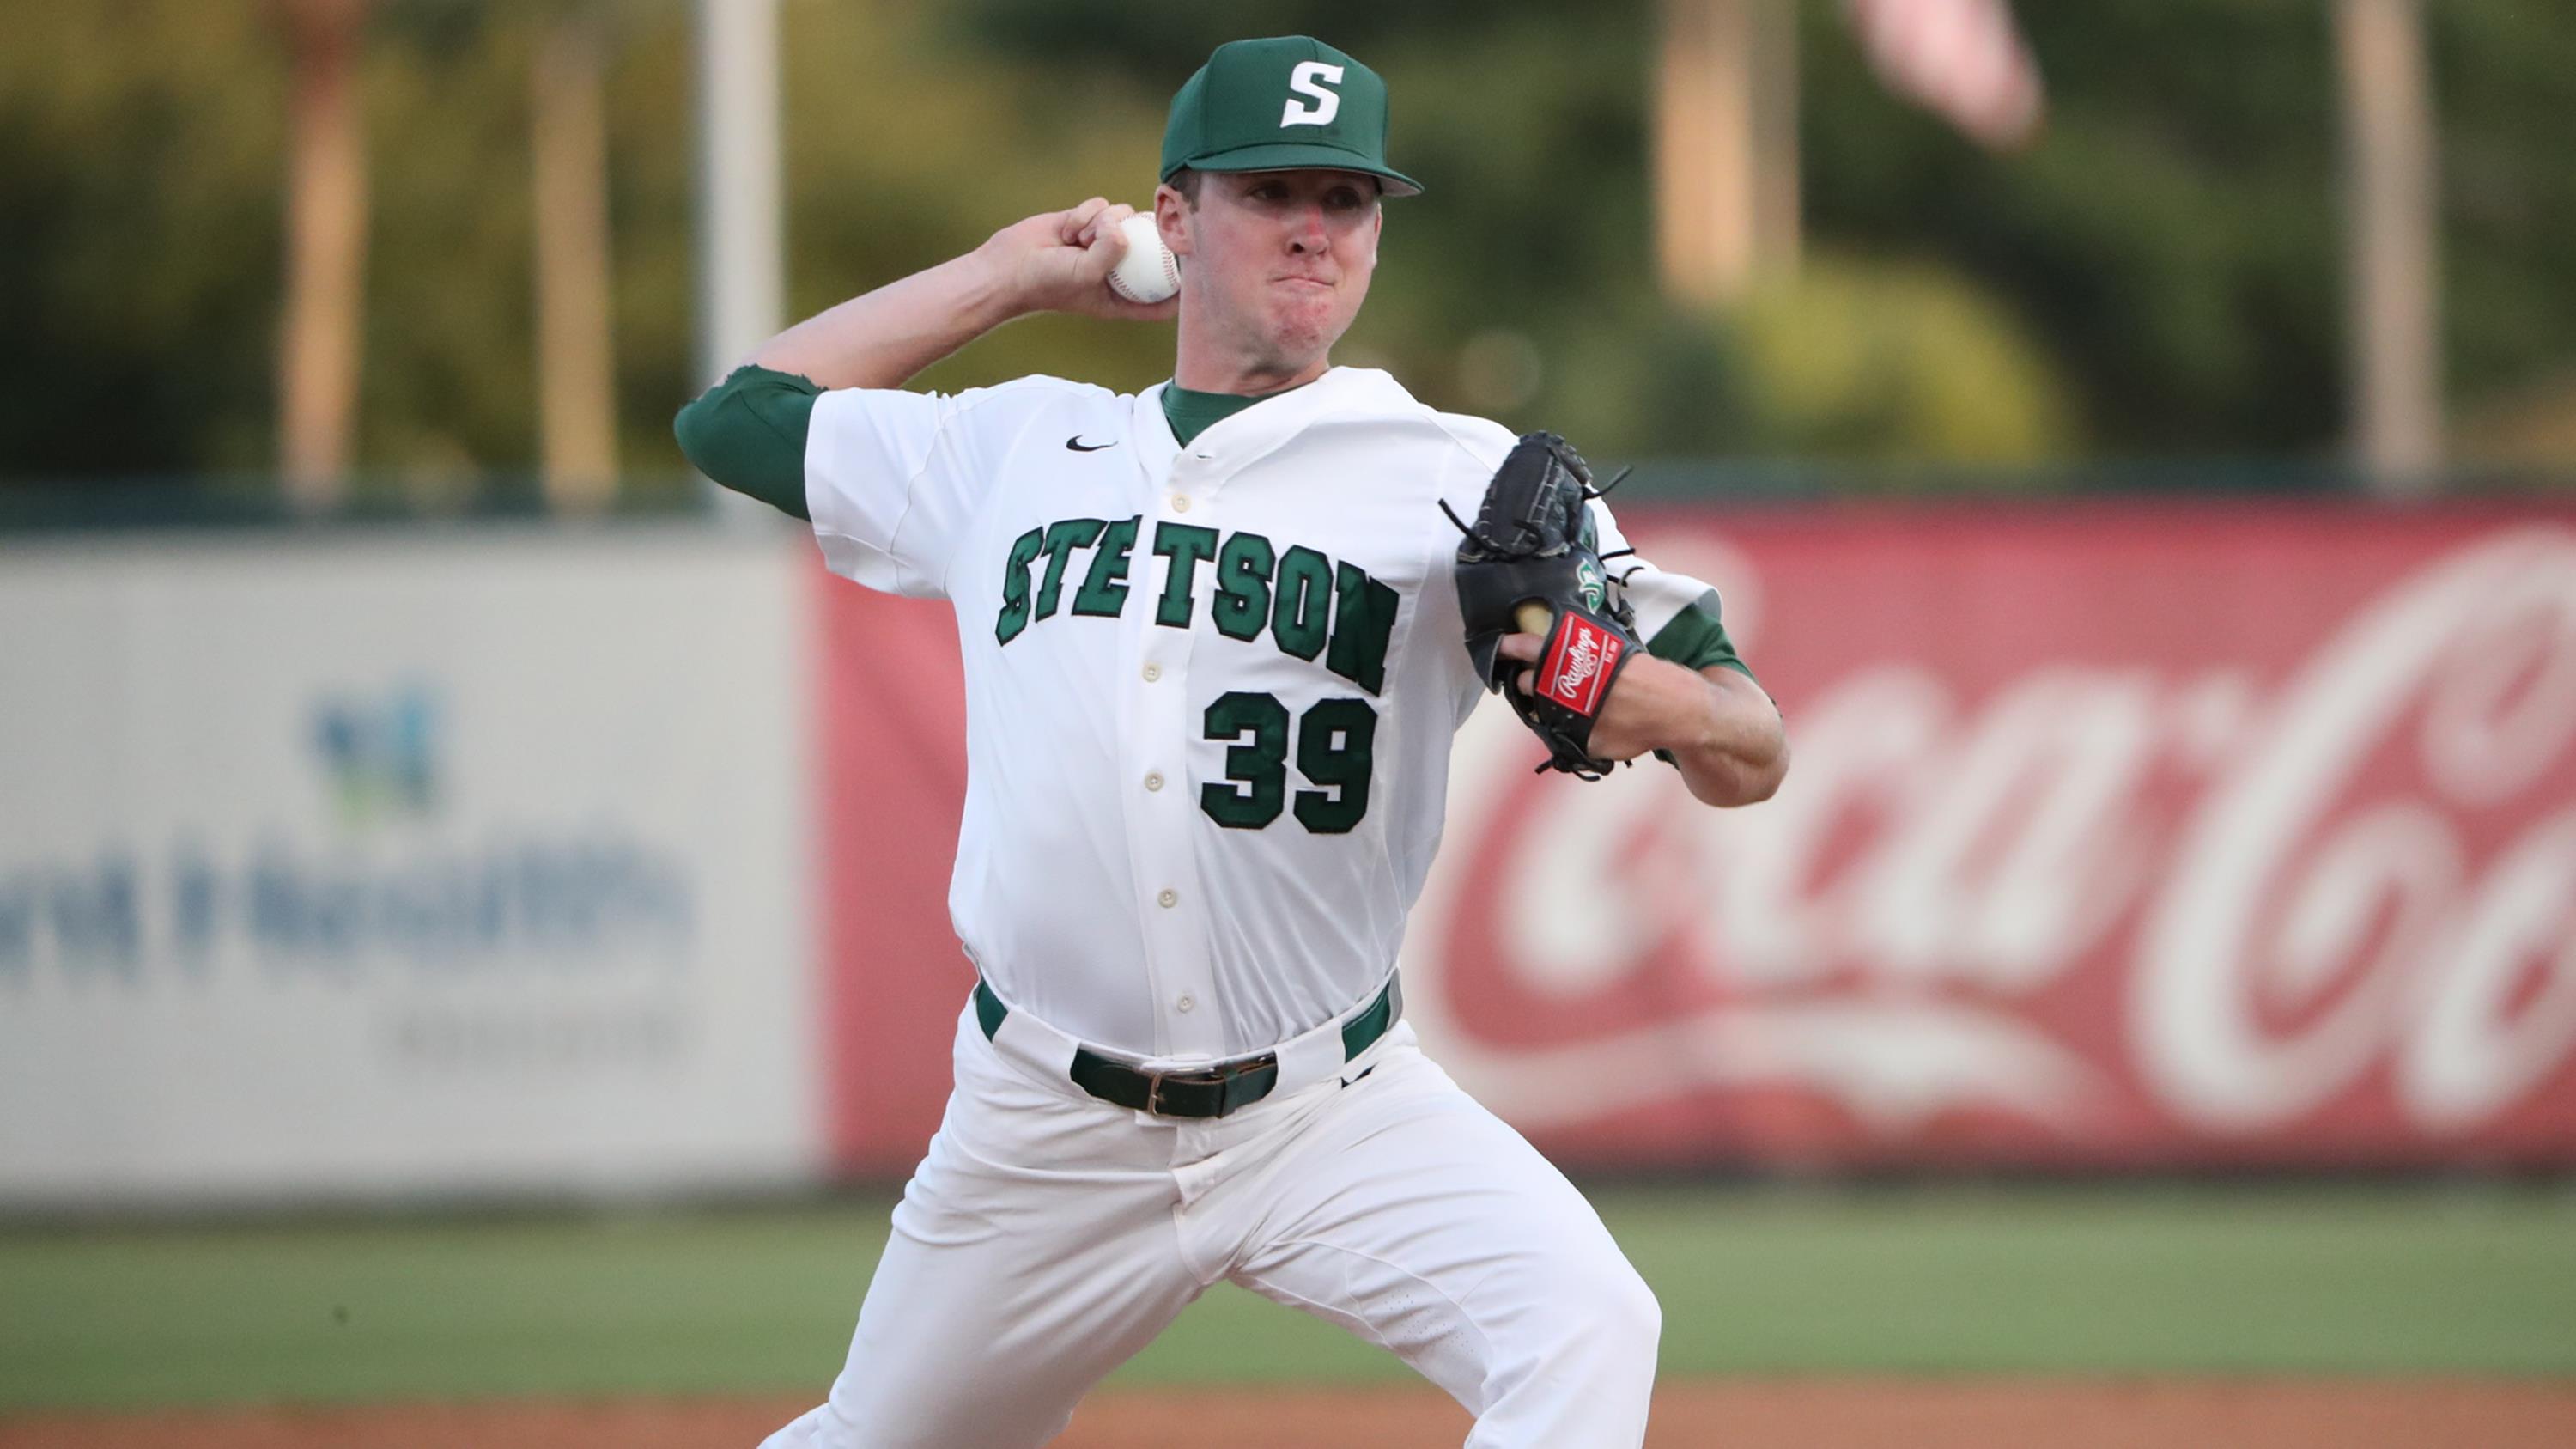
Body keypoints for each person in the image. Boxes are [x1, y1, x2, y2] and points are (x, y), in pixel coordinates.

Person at [675, 34, 1788, 1449]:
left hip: (1334, 1108)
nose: (1317, 228)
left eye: (1350, 197)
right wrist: (1013, 275)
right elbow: (737, 419)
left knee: (1586, 1324)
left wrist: (1672, 706)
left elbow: (1752, 740)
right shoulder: (1015, 450)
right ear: (1176, 222)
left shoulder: (1462, 479)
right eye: (1272, 193)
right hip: (1044, 1126)